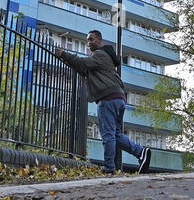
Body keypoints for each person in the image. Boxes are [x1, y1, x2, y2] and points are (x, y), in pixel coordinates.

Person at [54, 29, 152, 175]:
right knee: (116, 135)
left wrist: (64, 54)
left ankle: (109, 168)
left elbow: (82, 63)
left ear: (99, 40)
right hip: (118, 97)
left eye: (91, 39)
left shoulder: (100, 55)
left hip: (108, 99)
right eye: (87, 40)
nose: (89, 43)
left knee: (108, 135)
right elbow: (82, 68)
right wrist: (66, 59)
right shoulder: (103, 58)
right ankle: (141, 152)